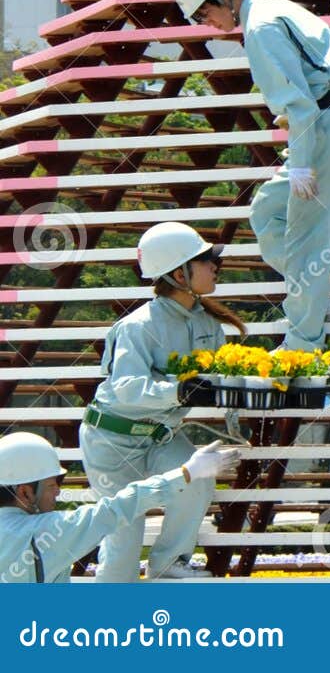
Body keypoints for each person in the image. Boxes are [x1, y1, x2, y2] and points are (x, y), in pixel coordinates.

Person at [170, 0, 330, 352]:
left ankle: (304, 342)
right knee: (266, 212)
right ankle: (315, 301)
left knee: (306, 242)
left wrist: (301, 164)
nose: (207, 26)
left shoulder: (261, 27)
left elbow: (300, 105)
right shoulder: (276, 9)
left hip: (327, 131)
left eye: (203, 14)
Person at [78, 221, 249, 581]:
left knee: (198, 478)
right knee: (124, 539)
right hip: (112, 441)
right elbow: (125, 387)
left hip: (161, 436)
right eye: (204, 259)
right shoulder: (138, 326)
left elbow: (223, 375)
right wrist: (178, 390)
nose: (214, 265)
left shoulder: (209, 325)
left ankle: (169, 566)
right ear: (178, 274)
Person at [1, 432, 240, 584]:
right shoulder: (44, 532)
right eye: (52, 484)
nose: (57, 492)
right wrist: (187, 473)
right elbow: (119, 507)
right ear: (24, 492)